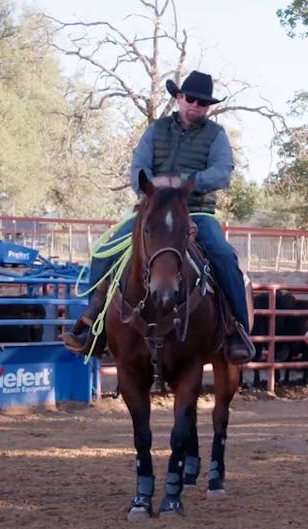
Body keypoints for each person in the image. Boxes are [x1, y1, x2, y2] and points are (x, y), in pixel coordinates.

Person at [61, 70, 255, 364]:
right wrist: (154, 188)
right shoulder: (156, 130)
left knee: (224, 257)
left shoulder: (216, 135)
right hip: (152, 211)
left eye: (203, 103)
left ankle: (237, 330)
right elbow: (138, 169)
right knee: (103, 252)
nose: (196, 106)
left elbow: (222, 172)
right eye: (191, 99)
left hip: (197, 211)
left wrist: (181, 182)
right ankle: (92, 328)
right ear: (179, 98)